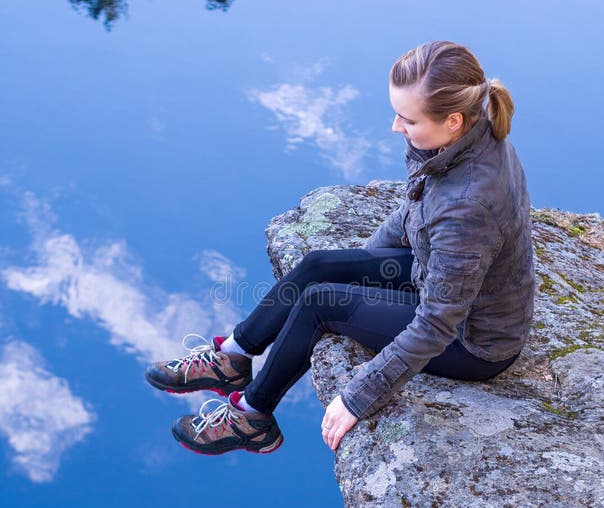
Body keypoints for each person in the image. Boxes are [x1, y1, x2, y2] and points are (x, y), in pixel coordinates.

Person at [145, 41, 535, 455]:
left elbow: (438, 322)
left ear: (452, 120)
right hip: (439, 277)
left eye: (407, 119)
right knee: (318, 266)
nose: (395, 127)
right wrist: (361, 267)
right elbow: (416, 209)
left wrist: (357, 397)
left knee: (321, 303)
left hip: (471, 339)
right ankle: (233, 357)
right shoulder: (464, 138)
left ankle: (253, 418)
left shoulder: (469, 204)